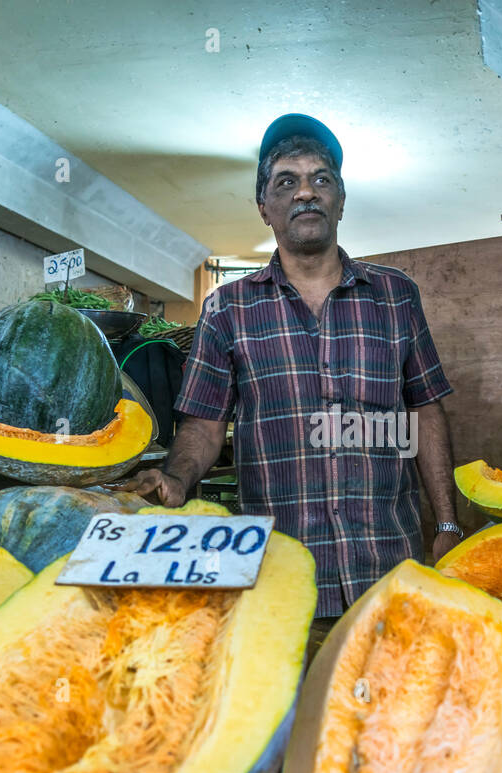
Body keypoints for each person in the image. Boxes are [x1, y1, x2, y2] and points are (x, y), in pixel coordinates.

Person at [118, 114, 463, 628]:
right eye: (287, 181)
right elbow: (205, 425)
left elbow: (425, 411)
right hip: (282, 579)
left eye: (321, 179)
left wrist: (448, 522)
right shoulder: (226, 309)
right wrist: (175, 477)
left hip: (390, 571)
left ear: (340, 200)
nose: (306, 192)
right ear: (265, 208)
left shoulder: (396, 296)